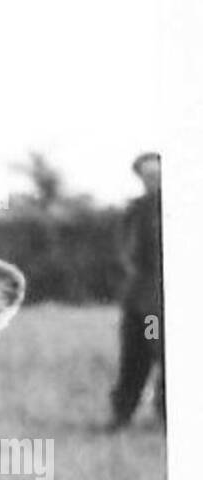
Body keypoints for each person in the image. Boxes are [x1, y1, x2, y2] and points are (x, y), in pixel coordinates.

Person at [108, 151, 164, 429]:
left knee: (161, 353)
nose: (150, 181)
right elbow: (124, 253)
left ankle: (165, 416)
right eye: (146, 176)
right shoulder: (135, 211)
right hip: (138, 303)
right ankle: (122, 414)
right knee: (133, 356)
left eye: (155, 175)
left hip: (156, 308)